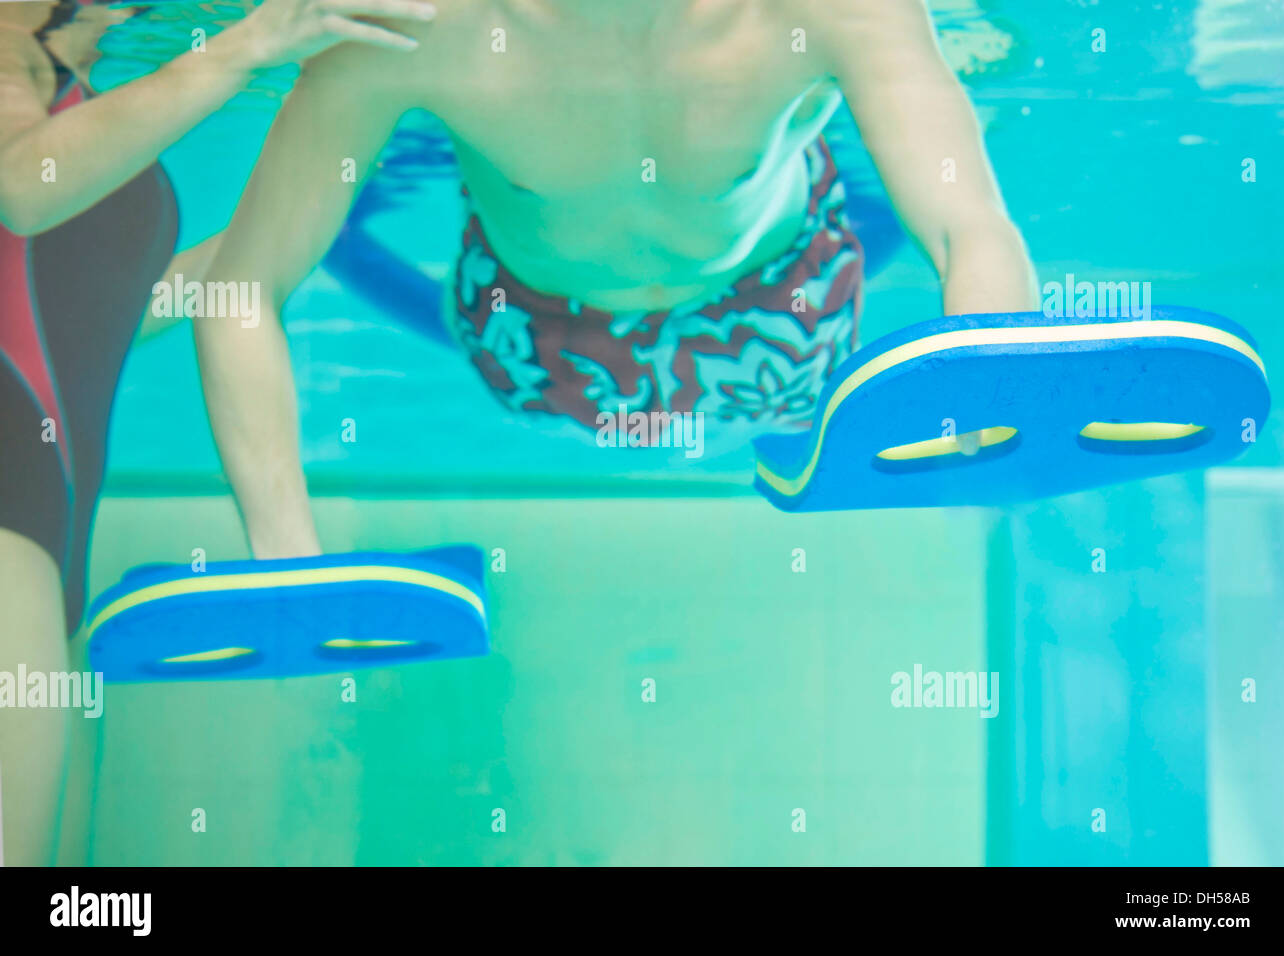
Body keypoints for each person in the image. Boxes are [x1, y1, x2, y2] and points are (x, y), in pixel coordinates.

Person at [198, 0, 1038, 562]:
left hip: (779, 306)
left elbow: (968, 225)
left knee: (796, 413)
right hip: (534, 338)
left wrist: (996, 405)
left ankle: (786, 452)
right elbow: (244, 291)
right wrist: (287, 561)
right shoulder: (414, 23)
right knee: (320, 241)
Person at [0, 0, 436, 866]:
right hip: (8, 527)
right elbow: (24, 188)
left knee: (65, 881)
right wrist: (250, 45)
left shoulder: (69, 86)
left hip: (50, 539)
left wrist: (313, 207)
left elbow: (115, 304)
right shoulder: (10, 56)